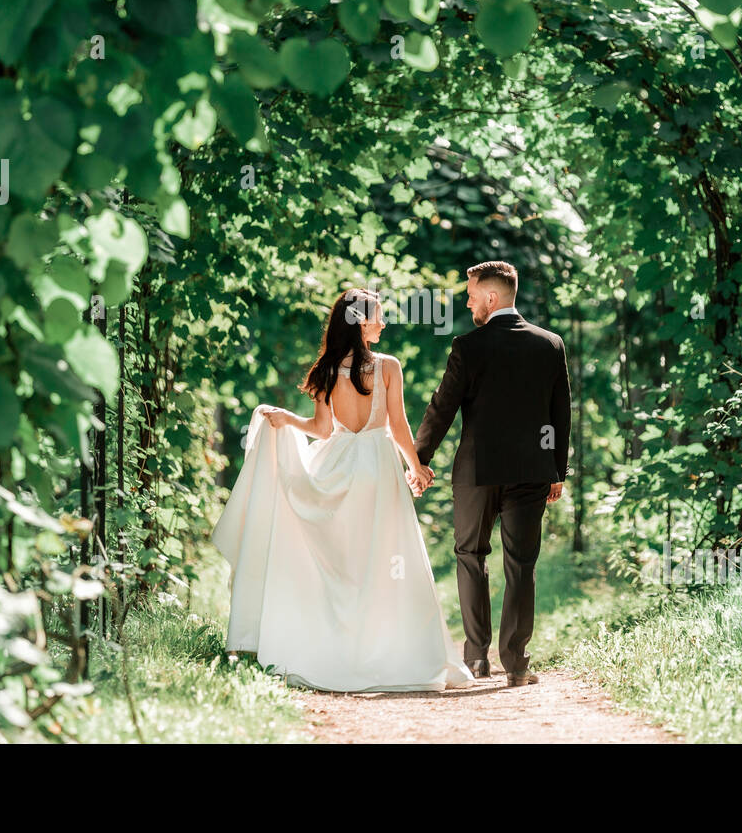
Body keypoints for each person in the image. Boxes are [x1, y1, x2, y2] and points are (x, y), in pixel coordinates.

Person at [212, 288, 472, 692]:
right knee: (384, 560)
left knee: (340, 563)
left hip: (335, 467)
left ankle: (334, 649)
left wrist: (286, 420)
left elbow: (319, 429)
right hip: (377, 470)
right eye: (378, 317)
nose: (383, 324)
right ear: (360, 322)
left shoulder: (327, 368)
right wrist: (415, 466)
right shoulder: (387, 367)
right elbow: (397, 426)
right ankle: (389, 652)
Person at [412, 261, 571, 687]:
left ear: (492, 298)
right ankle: (516, 665)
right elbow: (560, 414)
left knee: (470, 556)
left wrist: (419, 458)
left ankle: (476, 659)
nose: (467, 303)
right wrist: (557, 469)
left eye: (471, 295)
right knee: (522, 564)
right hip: (531, 470)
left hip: (476, 471)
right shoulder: (550, 344)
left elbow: (442, 407)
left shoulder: (468, 346)